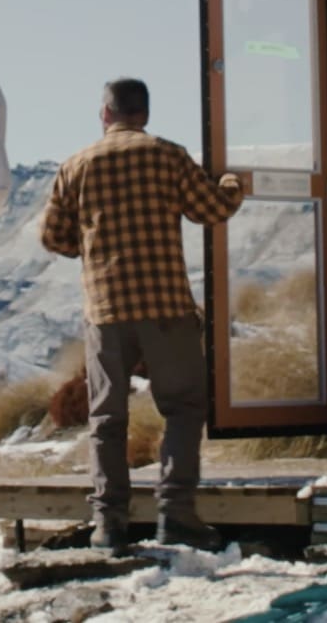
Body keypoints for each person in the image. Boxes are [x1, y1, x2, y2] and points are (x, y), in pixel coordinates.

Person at [41, 77, 245, 550]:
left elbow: (53, 236)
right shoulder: (167, 155)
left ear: (106, 114)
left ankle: (108, 524)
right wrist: (233, 181)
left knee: (107, 420)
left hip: (106, 312)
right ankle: (176, 513)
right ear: (145, 115)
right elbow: (212, 209)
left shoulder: (76, 165)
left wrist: (89, 246)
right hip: (166, 306)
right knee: (183, 409)